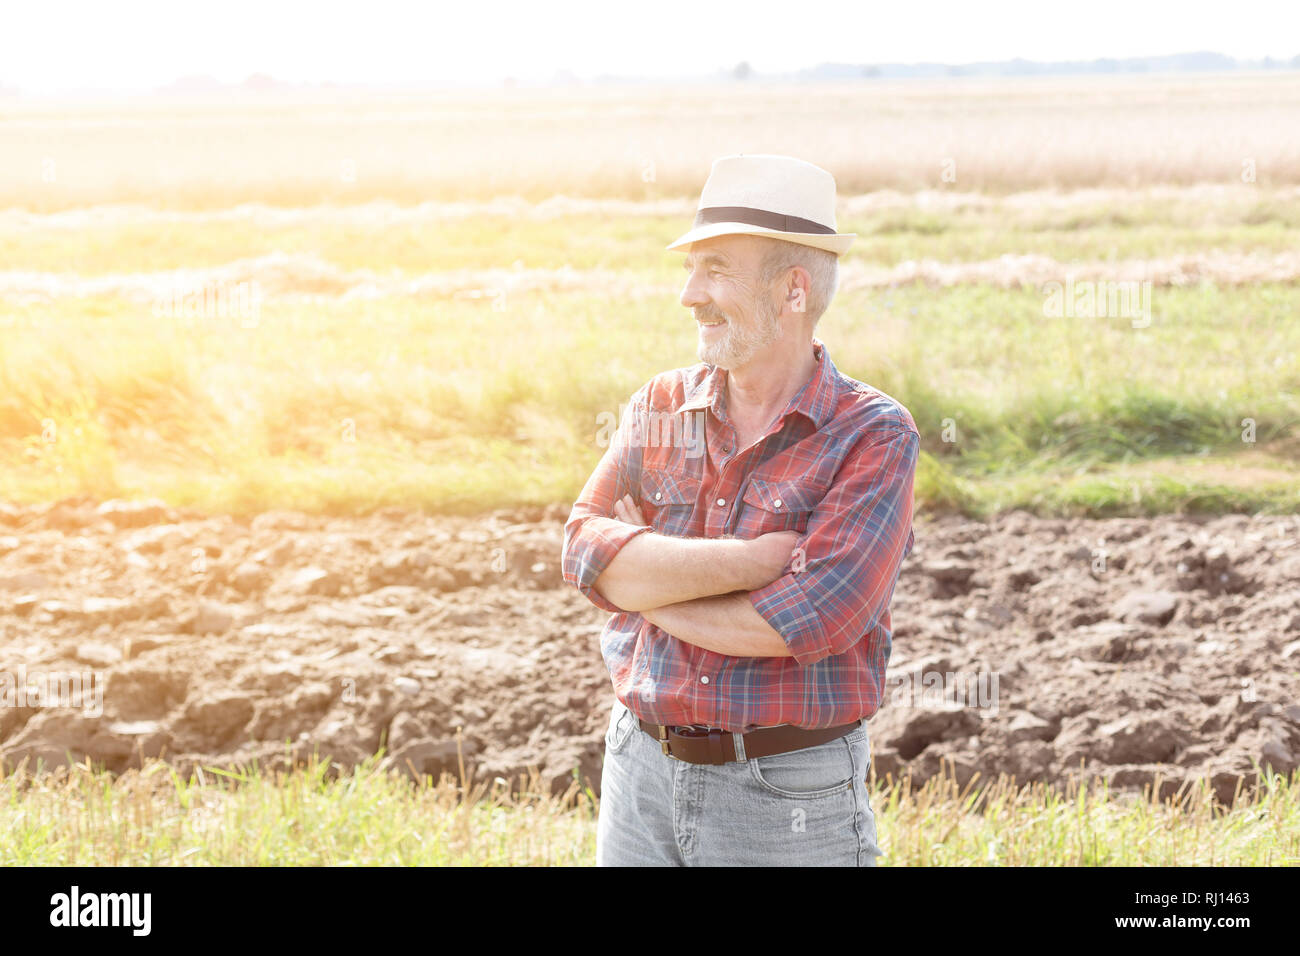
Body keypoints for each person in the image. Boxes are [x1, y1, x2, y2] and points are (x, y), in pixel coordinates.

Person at [561, 154, 920, 866]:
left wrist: (640, 587)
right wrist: (747, 563)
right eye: (691, 270)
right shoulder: (660, 405)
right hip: (639, 770)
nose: (689, 295)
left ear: (792, 291)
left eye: (717, 270)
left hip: (785, 794)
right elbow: (581, 548)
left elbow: (807, 620)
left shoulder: (873, 434)